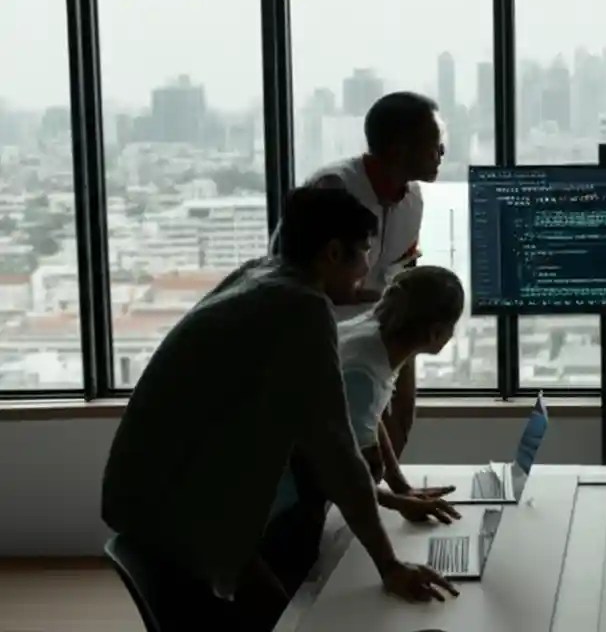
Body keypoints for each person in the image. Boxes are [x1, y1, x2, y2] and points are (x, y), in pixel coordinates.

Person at [102, 187, 457, 631]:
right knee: (294, 617)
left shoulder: (260, 274)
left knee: (292, 600)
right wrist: (389, 565)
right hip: (178, 513)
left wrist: (392, 498)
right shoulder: (302, 308)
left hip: (148, 494)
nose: (368, 269)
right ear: (332, 253)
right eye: (364, 252)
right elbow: (336, 451)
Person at [261, 265, 469, 595]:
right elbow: (338, 473)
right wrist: (392, 556)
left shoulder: (374, 336)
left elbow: (366, 417)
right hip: (281, 507)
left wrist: (400, 487)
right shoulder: (362, 371)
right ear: (435, 333)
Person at [301, 91, 447, 456]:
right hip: (327, 336)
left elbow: (404, 268)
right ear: (399, 148)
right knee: (338, 440)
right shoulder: (334, 188)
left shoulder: (413, 199)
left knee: (399, 424)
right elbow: (309, 280)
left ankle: (383, 486)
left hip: (386, 327)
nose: (442, 152)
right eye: (434, 144)